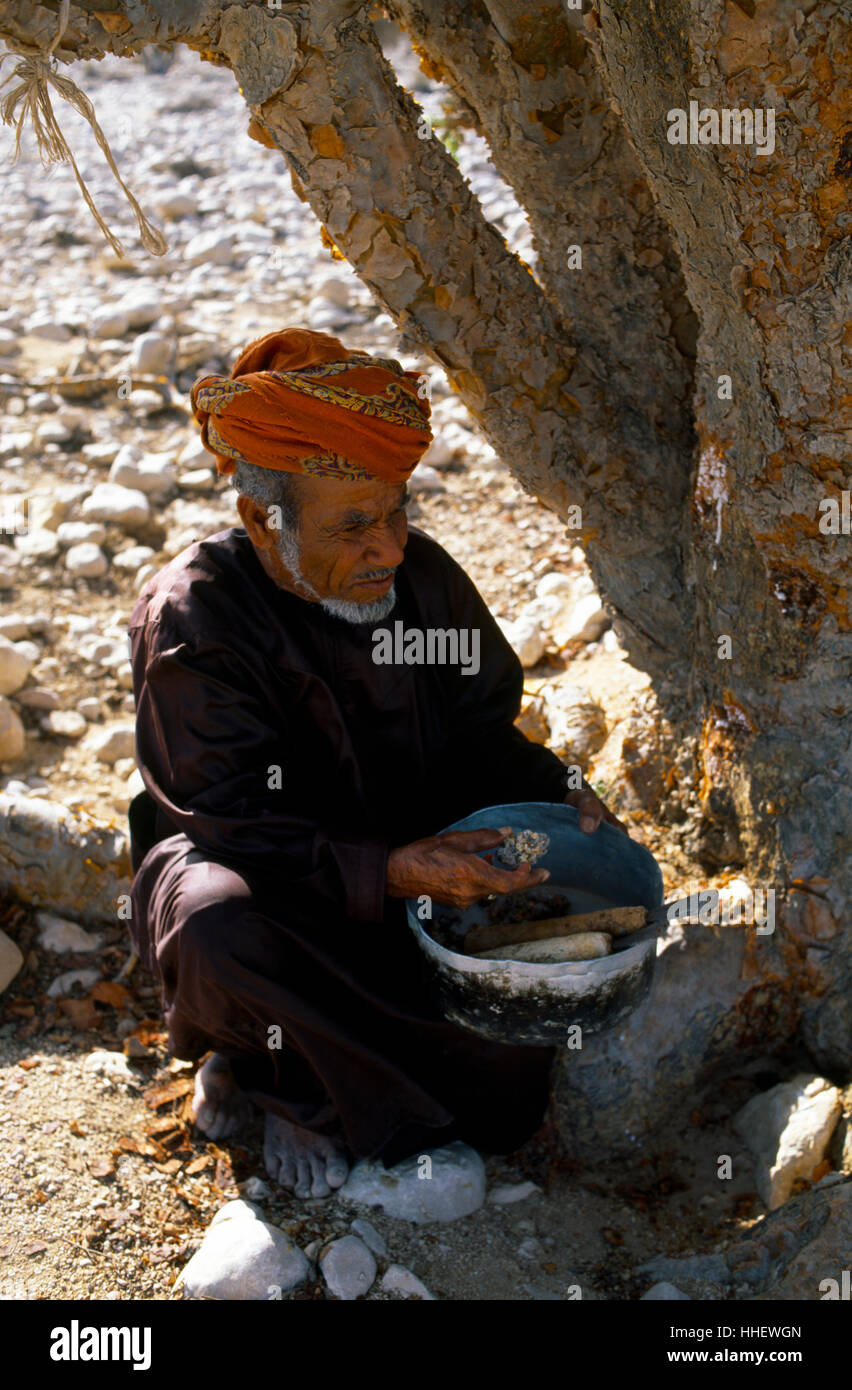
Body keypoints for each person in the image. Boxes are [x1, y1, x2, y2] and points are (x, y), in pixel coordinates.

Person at [127, 326, 626, 1199]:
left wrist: (559, 791)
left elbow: (483, 733)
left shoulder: (422, 581)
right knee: (213, 926)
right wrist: (387, 869)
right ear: (261, 519)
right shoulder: (196, 621)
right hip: (271, 885)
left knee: (507, 1098)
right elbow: (236, 820)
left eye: (397, 509)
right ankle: (275, 1079)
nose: (389, 547)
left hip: (414, 882)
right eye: (354, 525)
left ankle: (324, 1064)